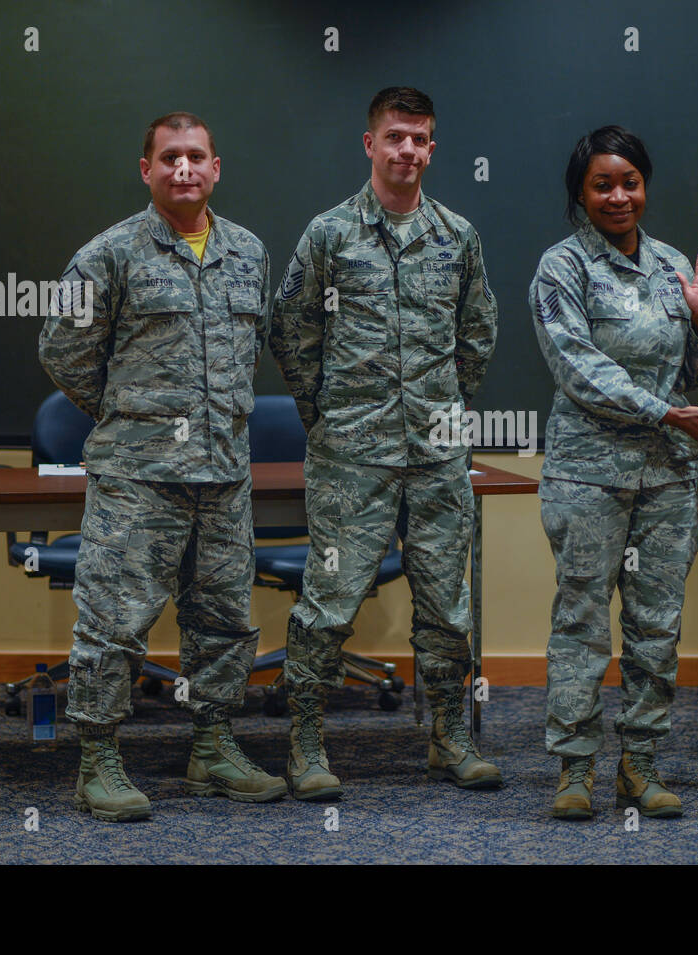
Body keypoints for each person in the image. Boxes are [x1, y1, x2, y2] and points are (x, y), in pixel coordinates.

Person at [39, 112, 279, 822]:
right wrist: (128, 413)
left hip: (225, 476)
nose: (184, 168)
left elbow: (252, 346)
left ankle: (211, 746)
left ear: (215, 167)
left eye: (196, 156)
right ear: (146, 168)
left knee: (226, 619)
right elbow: (63, 351)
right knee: (114, 621)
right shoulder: (109, 254)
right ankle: (98, 759)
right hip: (137, 477)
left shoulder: (248, 252)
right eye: (169, 157)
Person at [269, 87, 500, 800]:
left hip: (437, 451)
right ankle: (304, 742)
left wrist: (443, 408)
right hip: (351, 454)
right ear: (369, 144)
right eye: (394, 136)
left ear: (433, 148)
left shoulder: (457, 235)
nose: (407, 150)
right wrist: (327, 415)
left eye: (420, 138)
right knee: (330, 600)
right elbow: (292, 331)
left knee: (447, 604)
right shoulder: (330, 234)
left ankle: (449, 737)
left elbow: (478, 335)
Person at [530, 126, 698, 820]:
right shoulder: (562, 268)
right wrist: (663, 412)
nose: (619, 196)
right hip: (590, 475)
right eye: (603, 184)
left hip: (669, 478)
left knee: (657, 625)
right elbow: (578, 368)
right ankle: (573, 768)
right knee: (581, 620)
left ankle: (639, 765)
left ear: (646, 185)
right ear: (580, 194)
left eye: (630, 181)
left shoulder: (677, 264)